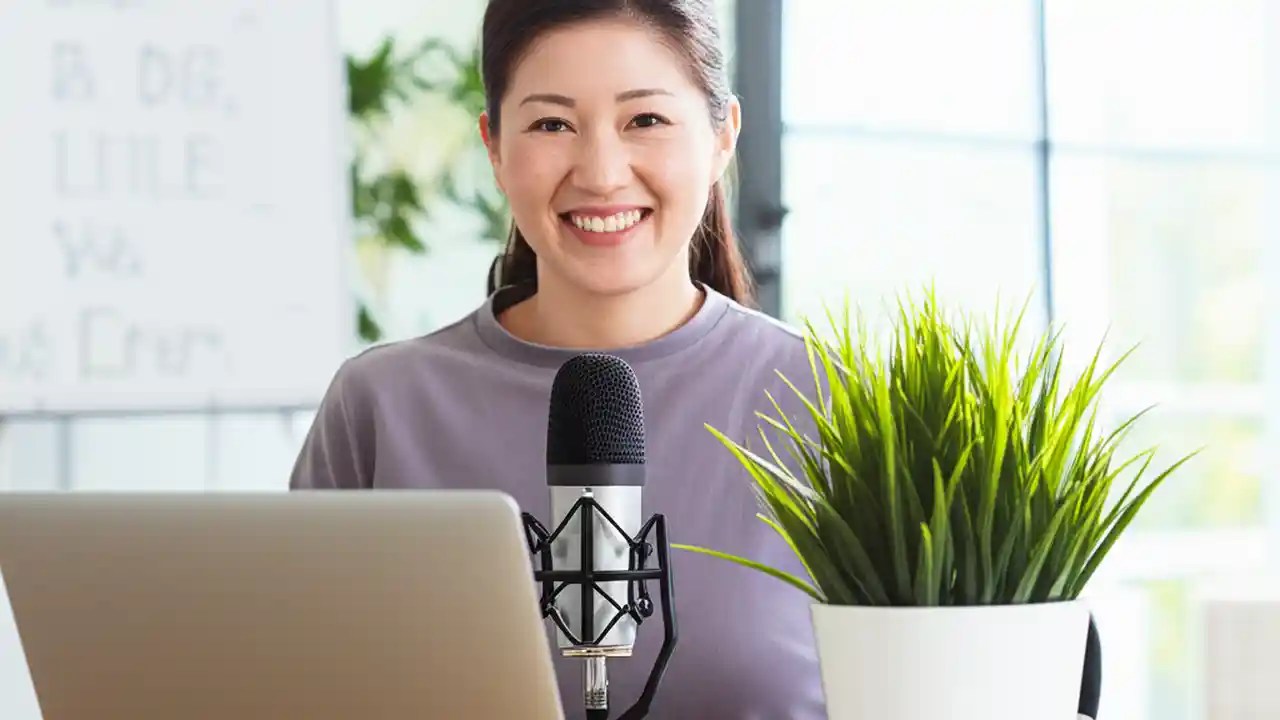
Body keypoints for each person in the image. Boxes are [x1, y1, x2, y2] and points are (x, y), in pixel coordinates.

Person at [290, 1, 827, 717]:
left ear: (722, 136)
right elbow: (297, 684)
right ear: (494, 146)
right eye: (551, 124)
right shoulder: (383, 408)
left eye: (645, 120)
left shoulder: (824, 403)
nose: (602, 173)